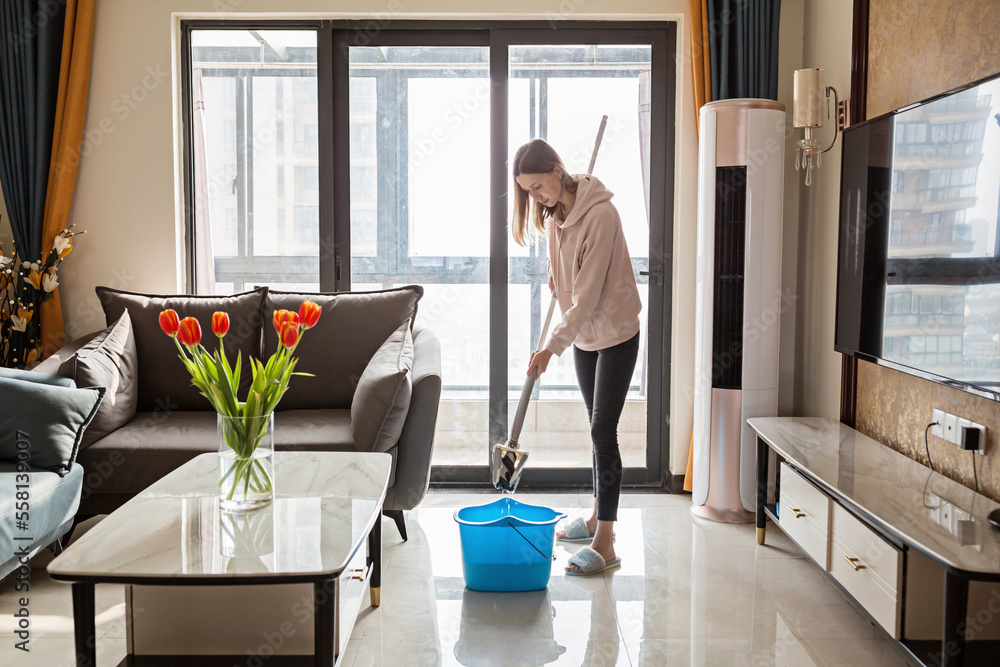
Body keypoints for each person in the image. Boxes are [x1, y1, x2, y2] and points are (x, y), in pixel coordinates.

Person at [511, 138, 642, 576]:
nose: (536, 196)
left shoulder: (601, 216)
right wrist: (556, 276)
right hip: (585, 336)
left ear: (555, 168)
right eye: (528, 192)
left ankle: (606, 540)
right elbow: (566, 280)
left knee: (604, 431)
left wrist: (550, 346)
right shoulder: (556, 219)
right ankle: (593, 517)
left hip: (617, 333)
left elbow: (585, 300)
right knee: (595, 428)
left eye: (538, 186)